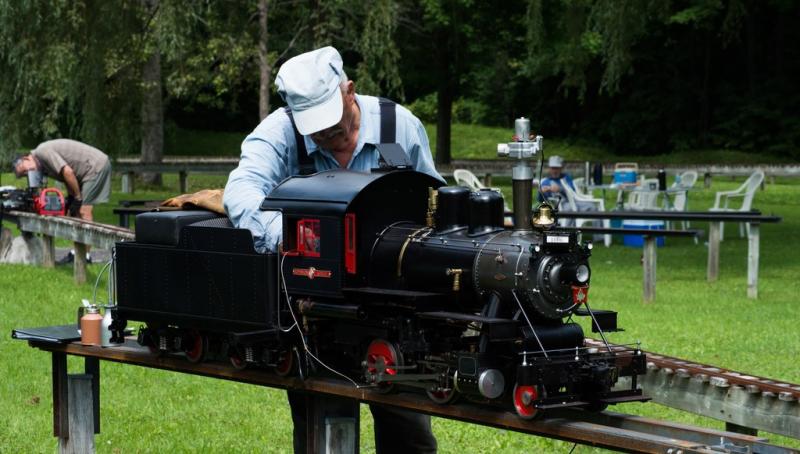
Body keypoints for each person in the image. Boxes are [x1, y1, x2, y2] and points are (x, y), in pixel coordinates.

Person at [224, 46, 442, 453]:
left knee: (409, 430)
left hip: (396, 310)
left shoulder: (400, 127)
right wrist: (295, 239)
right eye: (316, 128)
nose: (325, 135)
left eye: (332, 123)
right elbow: (241, 192)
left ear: (349, 91)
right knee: (323, 427)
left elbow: (434, 201)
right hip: (319, 311)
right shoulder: (279, 133)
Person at [13, 139, 112, 263]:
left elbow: (68, 172)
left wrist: (77, 197)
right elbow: (66, 177)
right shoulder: (40, 165)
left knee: (84, 211)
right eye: (24, 174)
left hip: (95, 166)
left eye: (25, 170)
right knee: (74, 212)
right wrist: (71, 197)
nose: (28, 173)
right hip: (83, 172)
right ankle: (77, 252)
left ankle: (86, 256)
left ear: (27, 158)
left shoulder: (42, 152)